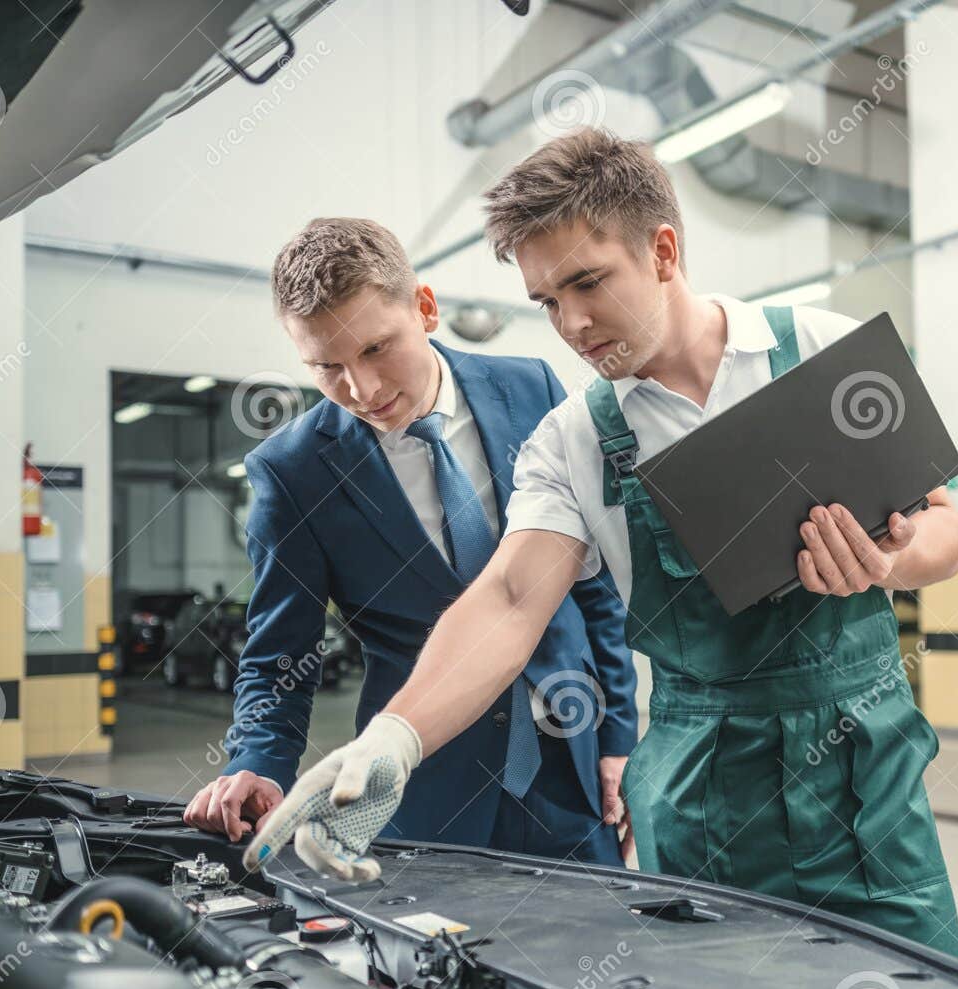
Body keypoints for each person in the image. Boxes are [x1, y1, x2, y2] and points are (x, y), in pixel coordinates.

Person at [247, 134, 958, 956]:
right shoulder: (574, 440)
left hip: (866, 784)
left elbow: (945, 527)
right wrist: (394, 739)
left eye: (588, 282)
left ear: (662, 250)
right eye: (548, 300)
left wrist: (892, 563)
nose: (573, 324)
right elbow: (512, 597)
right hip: (702, 800)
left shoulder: (825, 349)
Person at [182, 217, 636, 866]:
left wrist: (620, 733)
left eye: (375, 349)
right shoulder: (294, 473)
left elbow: (594, 586)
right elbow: (280, 654)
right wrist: (257, 763)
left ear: (425, 309)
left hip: (572, 768)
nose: (362, 390)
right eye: (326, 367)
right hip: (424, 788)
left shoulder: (530, 389)